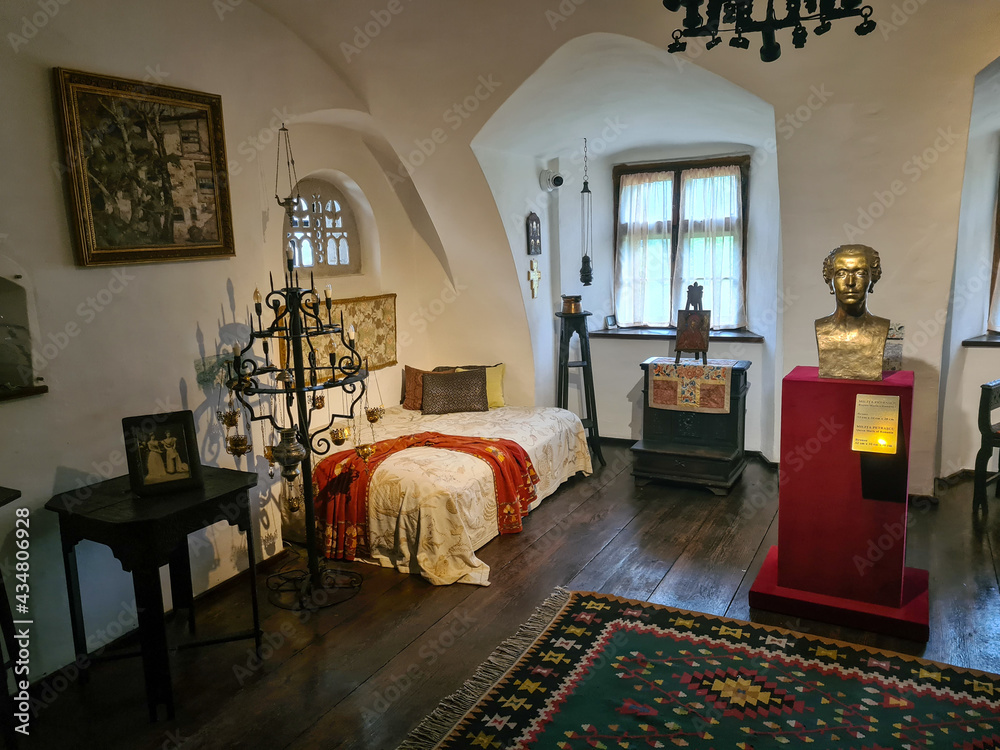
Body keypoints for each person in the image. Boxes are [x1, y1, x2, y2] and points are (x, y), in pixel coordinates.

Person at [814, 244, 890, 381]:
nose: (850, 282)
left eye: (860, 273)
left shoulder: (881, 328)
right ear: (830, 283)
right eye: (841, 273)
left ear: (872, 281)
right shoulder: (821, 329)